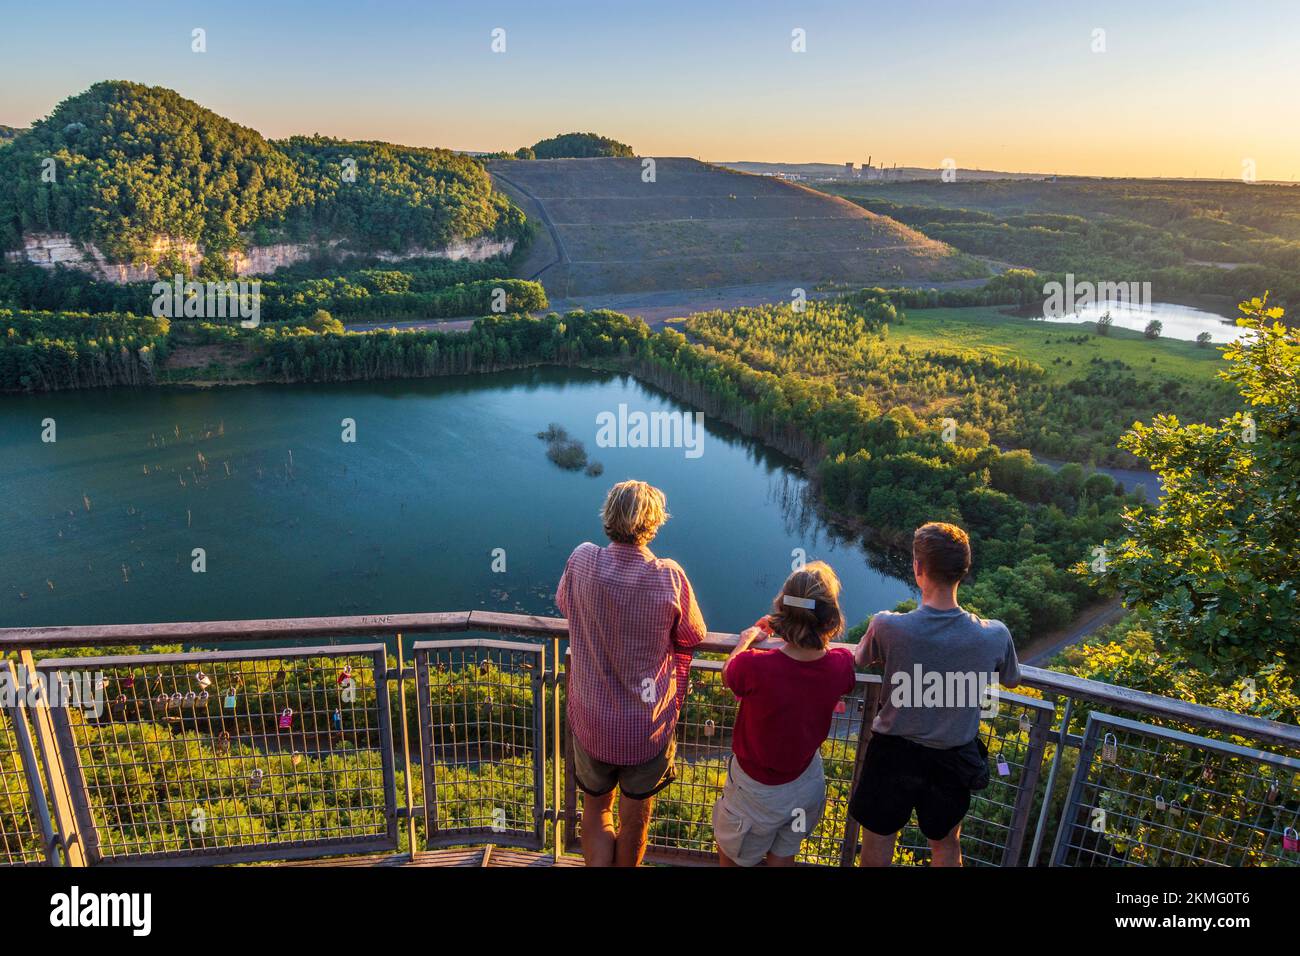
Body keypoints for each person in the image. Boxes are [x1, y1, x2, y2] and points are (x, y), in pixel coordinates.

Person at [849, 522, 1020, 867]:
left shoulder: (888, 626)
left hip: (893, 755)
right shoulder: (994, 636)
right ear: (963, 571)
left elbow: (858, 658)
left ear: (918, 568)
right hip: (953, 757)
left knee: (877, 847)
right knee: (945, 846)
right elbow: (1012, 680)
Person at [556, 479, 707, 866]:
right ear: (654, 522)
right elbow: (694, 633)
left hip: (591, 719)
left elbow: (564, 603)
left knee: (595, 809)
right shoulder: (668, 575)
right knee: (636, 817)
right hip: (646, 728)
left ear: (609, 515)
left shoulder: (582, 559)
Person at [713, 561, 856, 867]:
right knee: (783, 856)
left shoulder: (755, 666)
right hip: (805, 783)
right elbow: (821, 657)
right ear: (829, 616)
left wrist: (747, 638)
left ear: (782, 609)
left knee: (733, 858)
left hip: (755, 792)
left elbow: (729, 673)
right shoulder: (840, 665)